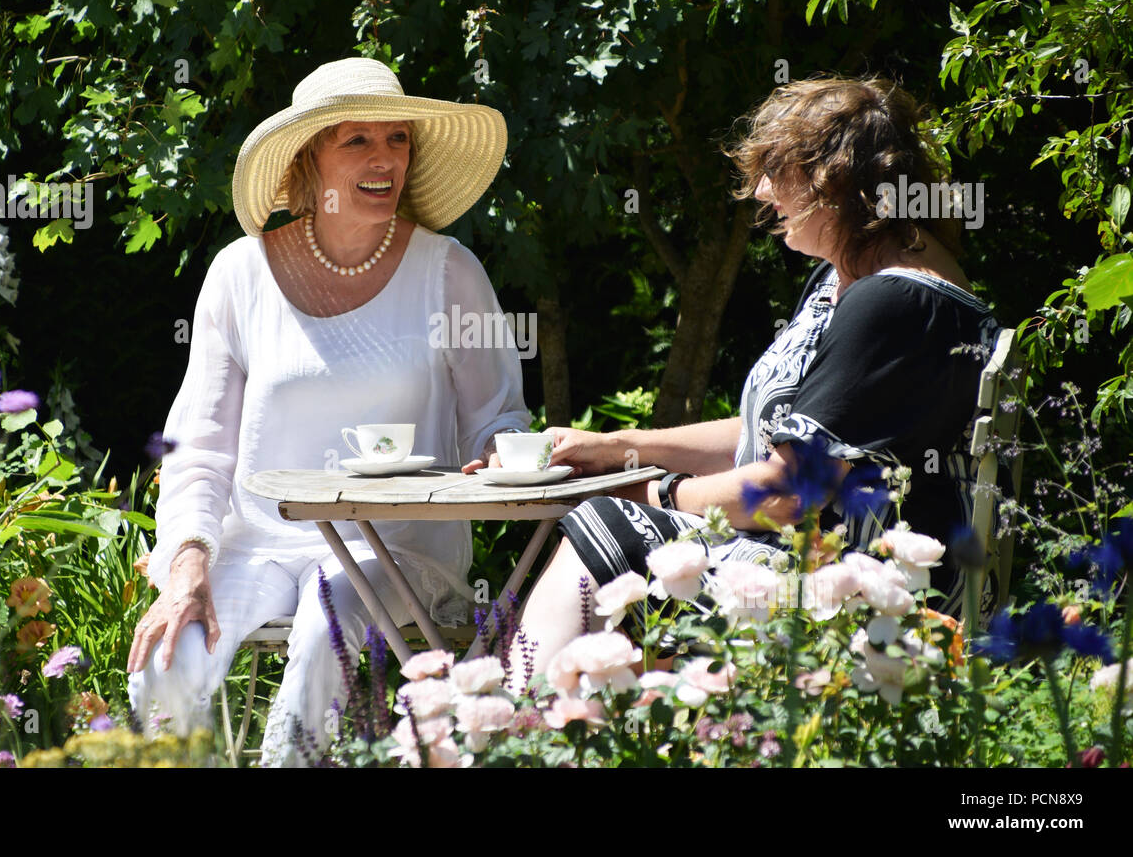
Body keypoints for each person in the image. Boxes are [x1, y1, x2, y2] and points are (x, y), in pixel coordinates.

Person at [514, 76, 1000, 676]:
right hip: (823, 563)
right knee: (617, 524)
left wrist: (655, 492)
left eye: (778, 170)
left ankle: (518, 730)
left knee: (607, 527)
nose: (764, 192)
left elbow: (787, 492)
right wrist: (622, 448)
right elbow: (775, 431)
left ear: (835, 180)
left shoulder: (892, 303)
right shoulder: (851, 280)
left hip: (858, 590)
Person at [126, 57, 529, 765]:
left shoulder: (450, 271)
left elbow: (501, 422)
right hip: (257, 542)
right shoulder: (239, 274)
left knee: (324, 628)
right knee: (169, 657)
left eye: (397, 139)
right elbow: (201, 445)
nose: (384, 159)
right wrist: (187, 561)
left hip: (395, 548)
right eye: (358, 141)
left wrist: (500, 454)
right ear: (310, 158)